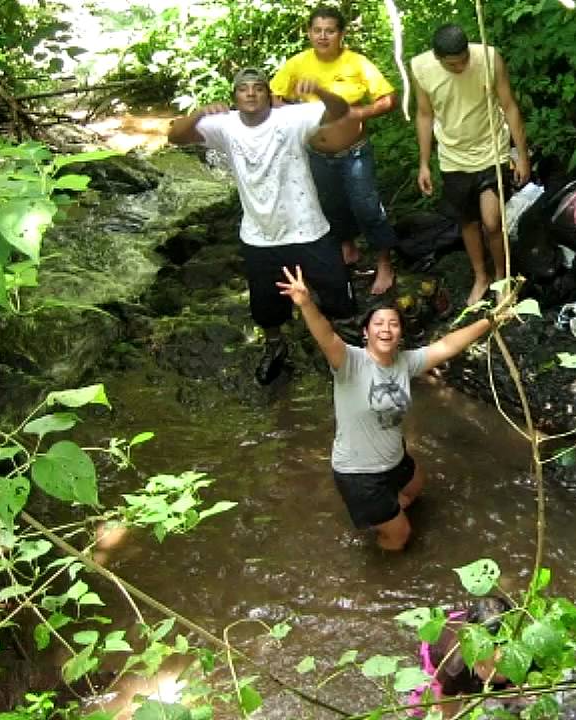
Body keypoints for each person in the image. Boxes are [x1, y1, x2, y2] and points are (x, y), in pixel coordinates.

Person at [277, 265, 504, 550]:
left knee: (416, 486)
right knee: (400, 536)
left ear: (400, 334)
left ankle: (382, 514)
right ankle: (381, 560)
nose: (386, 329)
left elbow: (447, 345)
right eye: (379, 324)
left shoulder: (405, 362)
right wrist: (306, 303)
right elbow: (325, 335)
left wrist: (490, 321)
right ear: (366, 332)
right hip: (359, 473)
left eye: (393, 324)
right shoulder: (349, 362)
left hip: (394, 460)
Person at [167, 68, 354, 385]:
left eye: (258, 88)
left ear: (269, 95)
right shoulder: (223, 126)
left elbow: (341, 111)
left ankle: (342, 344)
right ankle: (276, 346)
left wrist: (320, 89)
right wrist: (199, 111)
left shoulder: (292, 118)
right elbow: (175, 136)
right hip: (259, 234)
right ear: (235, 97)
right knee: (266, 304)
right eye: (243, 89)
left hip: (307, 226)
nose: (251, 93)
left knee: (336, 291)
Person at [271, 6, 400, 295]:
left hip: (354, 152)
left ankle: (384, 262)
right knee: (330, 207)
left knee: (367, 207)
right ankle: (348, 250)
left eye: (330, 30)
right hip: (316, 154)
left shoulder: (357, 63)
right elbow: (275, 96)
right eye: (317, 30)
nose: (323, 36)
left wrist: (361, 113)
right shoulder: (296, 64)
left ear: (341, 34)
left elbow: (389, 99)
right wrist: (291, 114)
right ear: (308, 33)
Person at [410, 24, 530, 307]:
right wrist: (424, 163)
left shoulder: (489, 57)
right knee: (467, 221)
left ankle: (502, 277)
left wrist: (521, 154)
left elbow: (509, 105)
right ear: (438, 58)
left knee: (492, 221)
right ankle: (480, 276)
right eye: (453, 64)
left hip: (492, 150)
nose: (461, 66)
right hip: (453, 156)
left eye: (465, 59)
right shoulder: (421, 67)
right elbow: (425, 115)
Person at [410, 596, 515, 717]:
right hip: (440, 641)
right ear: (477, 663)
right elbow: (449, 712)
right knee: (425, 707)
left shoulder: (523, 653)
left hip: (471, 621)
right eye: (500, 669)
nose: (508, 674)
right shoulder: (455, 668)